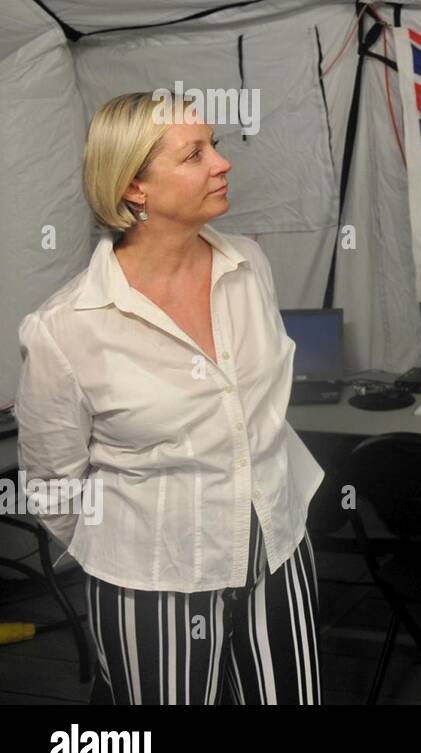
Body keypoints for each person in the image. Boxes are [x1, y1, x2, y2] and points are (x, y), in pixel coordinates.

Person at [16, 91, 325, 704]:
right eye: (194, 154)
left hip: (278, 548)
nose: (222, 163)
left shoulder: (249, 265)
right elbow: (52, 485)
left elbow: (258, 417)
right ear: (136, 188)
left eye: (214, 145)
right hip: (153, 578)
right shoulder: (66, 326)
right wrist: (130, 555)